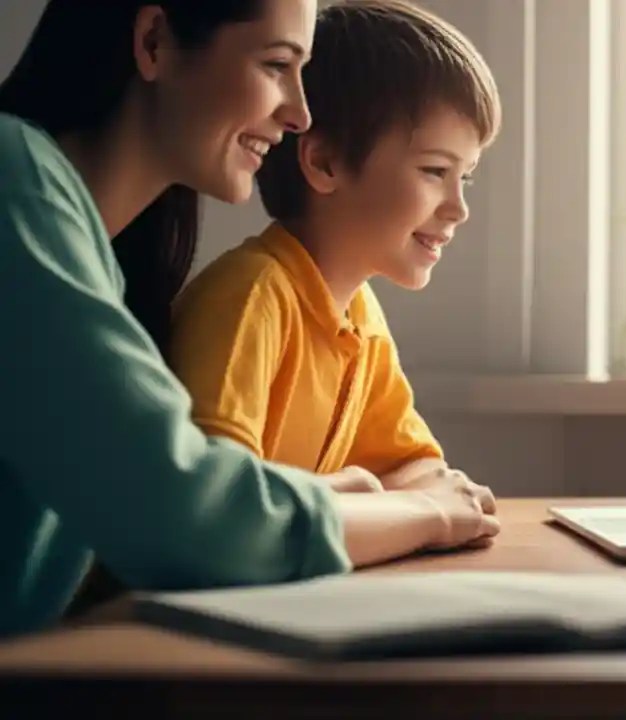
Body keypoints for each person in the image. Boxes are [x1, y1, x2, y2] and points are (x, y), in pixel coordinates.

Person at [0, 0, 497, 639]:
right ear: (154, 41)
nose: (301, 114)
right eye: (276, 65)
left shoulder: (98, 249)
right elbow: (185, 518)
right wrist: (426, 513)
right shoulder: (16, 187)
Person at [167, 0, 500, 519]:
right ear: (324, 162)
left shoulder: (359, 315)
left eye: (467, 177)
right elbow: (218, 509)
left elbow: (412, 465)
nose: (459, 208)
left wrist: (419, 494)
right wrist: (400, 505)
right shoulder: (252, 297)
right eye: (435, 171)